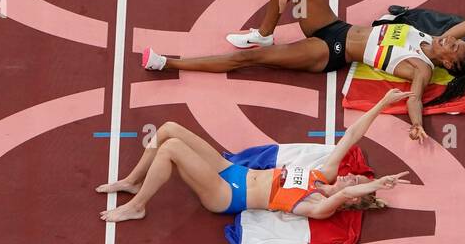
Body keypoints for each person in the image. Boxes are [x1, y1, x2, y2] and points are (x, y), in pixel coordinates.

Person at [142, 0, 465, 141]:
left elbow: (415, 98)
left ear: (449, 63)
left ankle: (170, 62)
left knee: (248, 62)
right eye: (454, 38)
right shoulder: (436, 39)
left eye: (452, 45)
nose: (448, 38)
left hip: (329, 51)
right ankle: (266, 32)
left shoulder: (420, 68)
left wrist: (418, 127)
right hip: (334, 26)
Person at [96, 88, 412, 223]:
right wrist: (382, 103)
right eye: (351, 174)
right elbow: (352, 135)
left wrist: (373, 185)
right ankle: (134, 181)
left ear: (352, 197)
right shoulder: (325, 175)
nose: (346, 175)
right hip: (232, 171)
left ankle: (136, 208)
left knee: (172, 150)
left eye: (351, 181)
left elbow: (351, 192)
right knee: (168, 129)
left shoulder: (321, 206)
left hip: (227, 195)